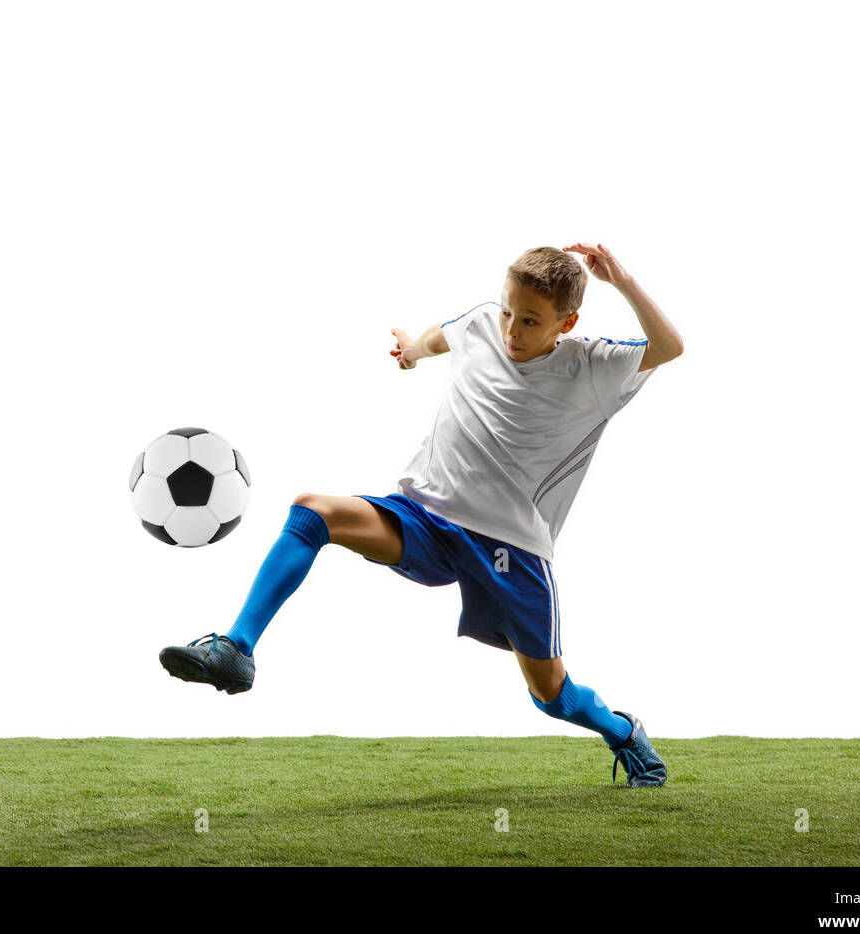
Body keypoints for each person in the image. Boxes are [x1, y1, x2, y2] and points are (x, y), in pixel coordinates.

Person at [159, 242, 684, 787]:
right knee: (313, 512)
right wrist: (412, 349)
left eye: (530, 321)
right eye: (508, 310)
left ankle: (622, 731)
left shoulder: (592, 367)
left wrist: (620, 279)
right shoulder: (483, 323)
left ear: (567, 321)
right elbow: (445, 335)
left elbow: (670, 347)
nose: (511, 329)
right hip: (426, 516)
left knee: (551, 696)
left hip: (511, 549)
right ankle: (236, 648)